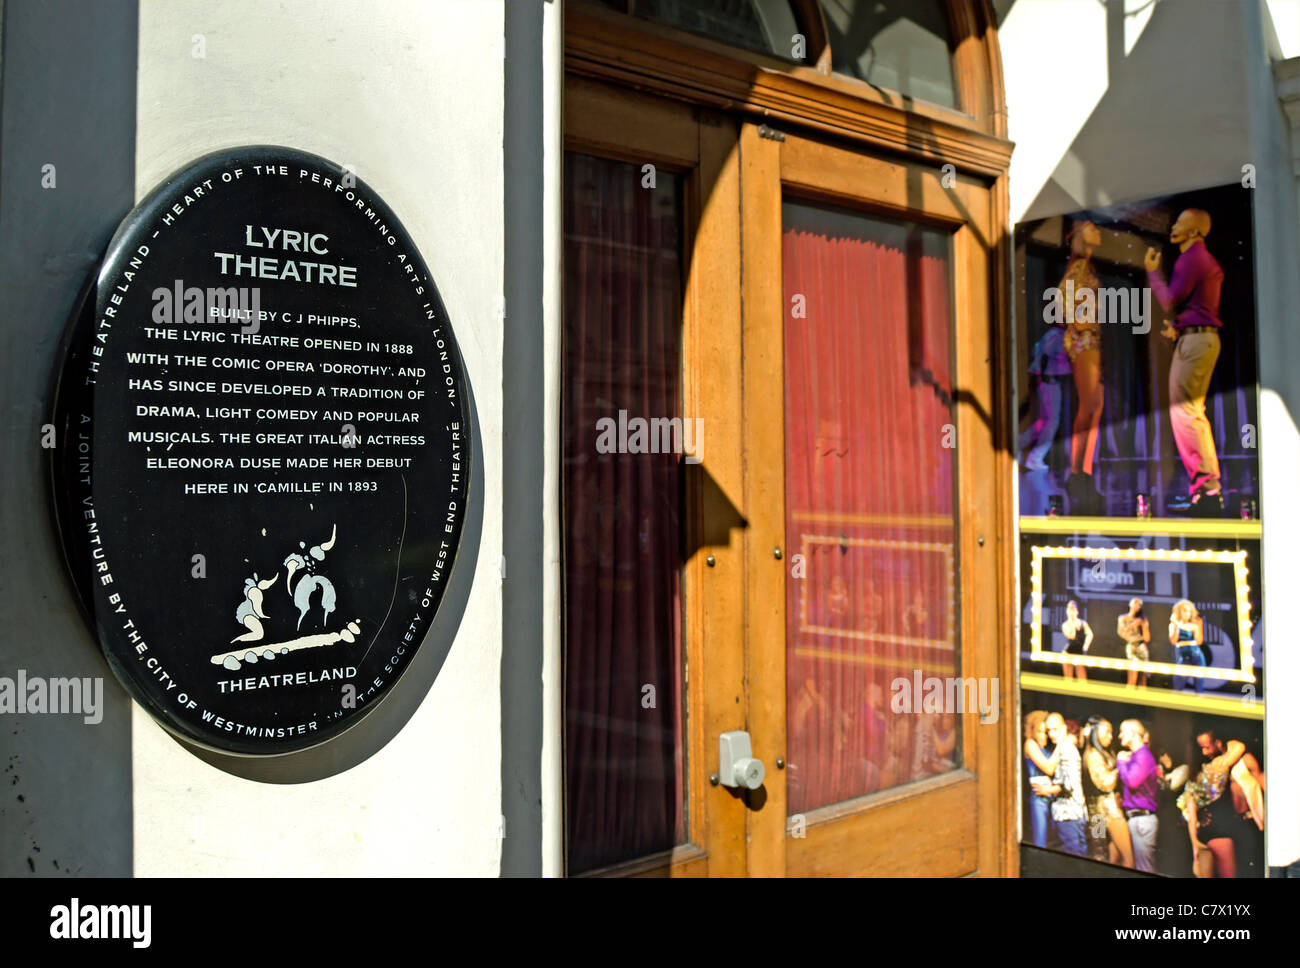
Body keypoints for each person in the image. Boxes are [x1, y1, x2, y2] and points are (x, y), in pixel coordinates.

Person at [1144, 208, 1226, 517]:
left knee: (1186, 413)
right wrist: (1179, 327)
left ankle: (1206, 491)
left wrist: (1152, 272)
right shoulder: (1200, 259)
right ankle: (1206, 489)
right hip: (1198, 339)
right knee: (1192, 413)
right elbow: (1200, 305)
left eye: (1180, 223)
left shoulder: (1191, 258)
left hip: (1197, 343)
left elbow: (1169, 299)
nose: (1173, 226)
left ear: (1194, 232)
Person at [1059, 221, 1105, 514]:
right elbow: (1064, 307)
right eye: (1091, 228)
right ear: (1079, 237)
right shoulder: (1076, 271)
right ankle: (1076, 473)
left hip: (1091, 339)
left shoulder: (1087, 269)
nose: (1097, 231)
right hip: (1083, 340)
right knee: (1089, 405)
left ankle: (1083, 471)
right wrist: (1081, 328)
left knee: (1095, 405)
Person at [1178, 729, 1261, 878]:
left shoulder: (1192, 777)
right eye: (1202, 748)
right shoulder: (1217, 766)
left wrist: (1195, 845)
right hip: (1221, 831)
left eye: (1207, 747)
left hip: (1203, 835)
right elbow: (1239, 747)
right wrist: (1221, 746)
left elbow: (1191, 814)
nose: (1204, 752)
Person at [1081, 717, 1136, 867]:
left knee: (1108, 859)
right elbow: (1106, 784)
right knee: (1128, 859)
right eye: (1107, 732)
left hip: (1097, 815)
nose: (1110, 737)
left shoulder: (1097, 753)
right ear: (1095, 732)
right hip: (1110, 812)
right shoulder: (1093, 755)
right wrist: (1120, 765)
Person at [1116, 719, 1159, 873]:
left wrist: (1121, 762)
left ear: (1133, 733)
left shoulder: (1142, 756)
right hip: (1120, 818)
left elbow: (1132, 781)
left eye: (1122, 731)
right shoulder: (1135, 756)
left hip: (1138, 819)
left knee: (1141, 868)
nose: (1118, 736)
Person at [1043, 712, 1087, 856]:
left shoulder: (1066, 749)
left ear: (1063, 729)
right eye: (1048, 730)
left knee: (1074, 857)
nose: (1051, 734)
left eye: (1054, 729)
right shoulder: (1063, 748)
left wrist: (1047, 789)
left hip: (1068, 814)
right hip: (1074, 812)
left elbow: (1068, 785)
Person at [1023, 710, 1059, 848]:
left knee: (1054, 842)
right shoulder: (1030, 744)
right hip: (1039, 800)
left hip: (1052, 797)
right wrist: (1061, 745)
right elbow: (1049, 768)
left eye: (1046, 732)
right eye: (1039, 732)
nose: (1044, 736)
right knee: (1040, 841)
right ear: (1032, 730)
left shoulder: (1048, 748)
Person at [1169, 600, 1206, 693]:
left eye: (1189, 611)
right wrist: (1177, 626)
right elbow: (1173, 641)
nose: (1187, 613)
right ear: (1179, 612)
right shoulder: (1173, 625)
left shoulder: (1194, 624)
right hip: (1184, 658)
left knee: (1199, 688)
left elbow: (1199, 641)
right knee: (1177, 687)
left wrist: (1196, 629)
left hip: (1197, 657)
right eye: (1184, 610)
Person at [1117, 597, 1151, 688]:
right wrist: (1132, 626)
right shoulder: (1123, 618)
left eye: (1139, 604)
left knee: (1144, 677)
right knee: (1132, 675)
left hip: (1142, 647)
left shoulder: (1143, 619)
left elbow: (1147, 638)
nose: (1137, 605)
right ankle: (1129, 698)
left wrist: (1144, 626)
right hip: (1131, 646)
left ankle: (1142, 699)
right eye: (1135, 603)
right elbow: (1121, 633)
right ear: (1130, 604)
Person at [1060, 600, 1092, 681]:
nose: (1071, 612)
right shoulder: (1065, 625)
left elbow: (1090, 634)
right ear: (1067, 612)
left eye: (1073, 609)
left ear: (1077, 611)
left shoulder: (1083, 623)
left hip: (1080, 651)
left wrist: (1086, 645)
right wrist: (1072, 623)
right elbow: (1071, 636)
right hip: (1069, 651)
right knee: (1068, 679)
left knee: (1082, 678)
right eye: (1069, 609)